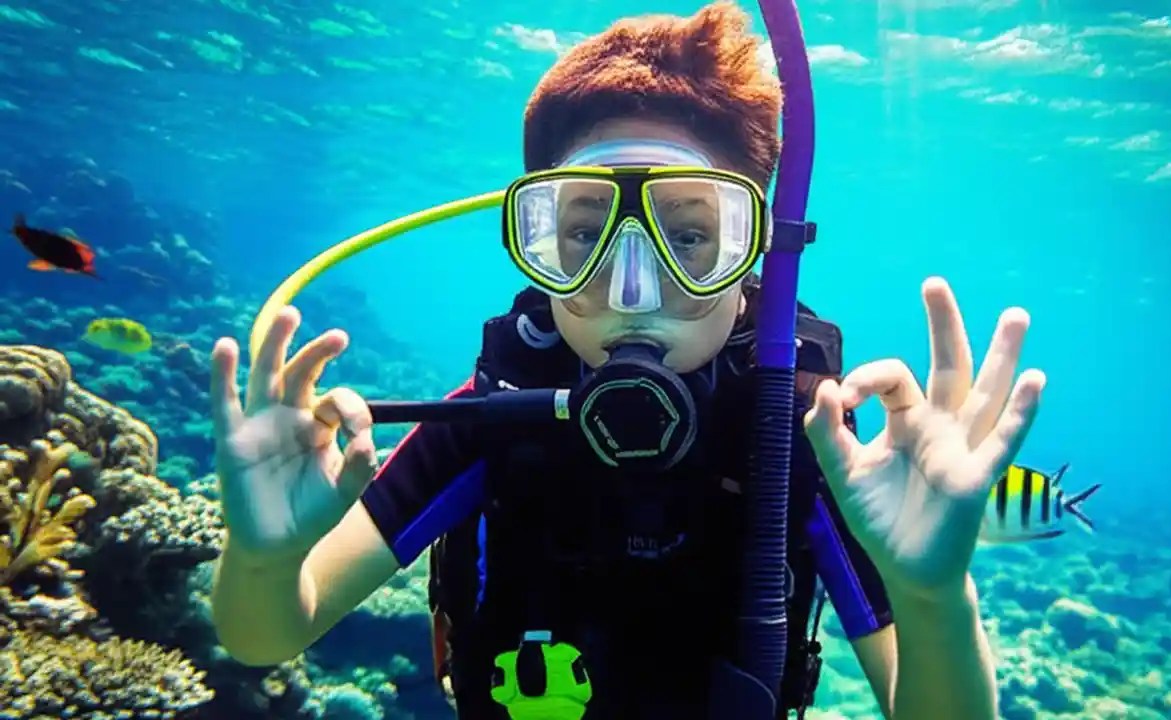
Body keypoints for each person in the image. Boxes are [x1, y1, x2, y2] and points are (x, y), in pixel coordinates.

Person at [208, 3, 1044, 720]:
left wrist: (936, 596)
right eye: (583, 235)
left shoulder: (803, 439)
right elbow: (266, 634)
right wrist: (263, 558)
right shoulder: (490, 419)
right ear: (537, 246)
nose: (634, 291)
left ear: (753, 252)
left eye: (688, 237)